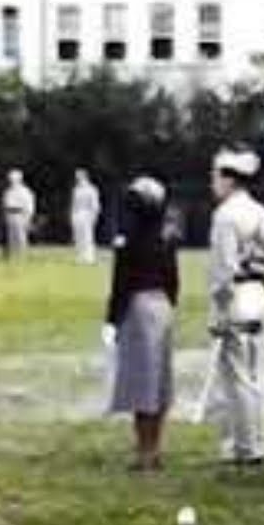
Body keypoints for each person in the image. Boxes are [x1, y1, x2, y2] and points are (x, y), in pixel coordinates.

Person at [208, 150, 264, 466]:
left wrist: (221, 309)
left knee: (236, 375)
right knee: (258, 373)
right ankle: (258, 442)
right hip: (261, 292)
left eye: (216, 176)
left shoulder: (226, 215)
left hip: (237, 293)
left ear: (228, 178)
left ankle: (243, 445)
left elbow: (223, 267)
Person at [104, 177, 179, 473]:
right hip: (162, 305)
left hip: (138, 307)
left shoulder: (128, 240)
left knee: (141, 385)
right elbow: (174, 281)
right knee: (160, 383)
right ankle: (157, 447)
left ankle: (144, 452)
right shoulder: (167, 238)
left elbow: (120, 283)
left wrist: (111, 319)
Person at [2, 169, 36, 259]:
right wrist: (6, 215)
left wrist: (28, 218)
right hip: (10, 215)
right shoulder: (8, 191)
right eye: (11, 178)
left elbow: (30, 205)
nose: (12, 180)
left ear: (19, 179)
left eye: (14, 179)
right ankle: (12, 256)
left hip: (20, 215)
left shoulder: (25, 191)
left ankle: (22, 256)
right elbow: (5, 204)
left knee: (21, 237)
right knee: (10, 237)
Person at [70, 168, 102, 265]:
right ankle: (80, 256)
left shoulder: (91, 189)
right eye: (77, 177)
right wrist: (72, 215)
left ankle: (89, 257)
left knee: (87, 237)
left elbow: (95, 205)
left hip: (87, 214)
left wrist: (94, 216)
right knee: (78, 237)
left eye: (79, 176)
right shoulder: (76, 190)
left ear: (85, 177)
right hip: (77, 214)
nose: (78, 179)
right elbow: (74, 204)